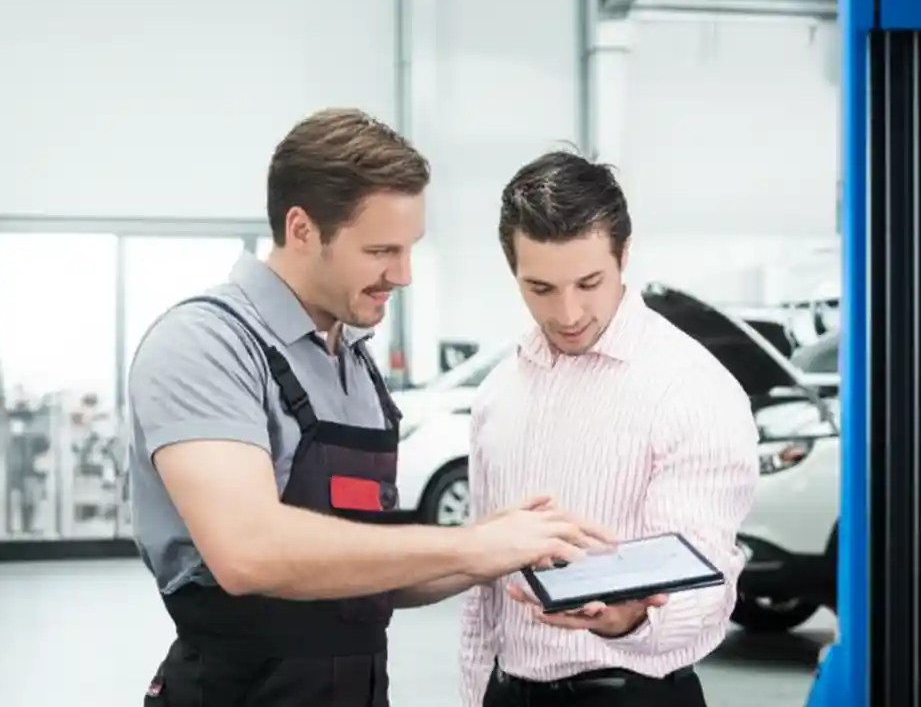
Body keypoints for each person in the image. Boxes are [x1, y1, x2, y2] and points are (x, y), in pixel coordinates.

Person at [127, 109, 611, 707]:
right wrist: (469, 547)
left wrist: (503, 545)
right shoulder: (205, 345)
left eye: (409, 249)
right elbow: (248, 551)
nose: (402, 274)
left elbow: (368, 568)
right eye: (380, 249)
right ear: (302, 229)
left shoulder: (353, 361)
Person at [458, 151, 760, 707]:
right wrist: (476, 693)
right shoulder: (498, 392)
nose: (569, 312)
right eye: (540, 289)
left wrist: (627, 619)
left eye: (589, 282)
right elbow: (487, 593)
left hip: (633, 696)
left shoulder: (690, 386)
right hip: (508, 693)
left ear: (624, 254)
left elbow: (710, 578)